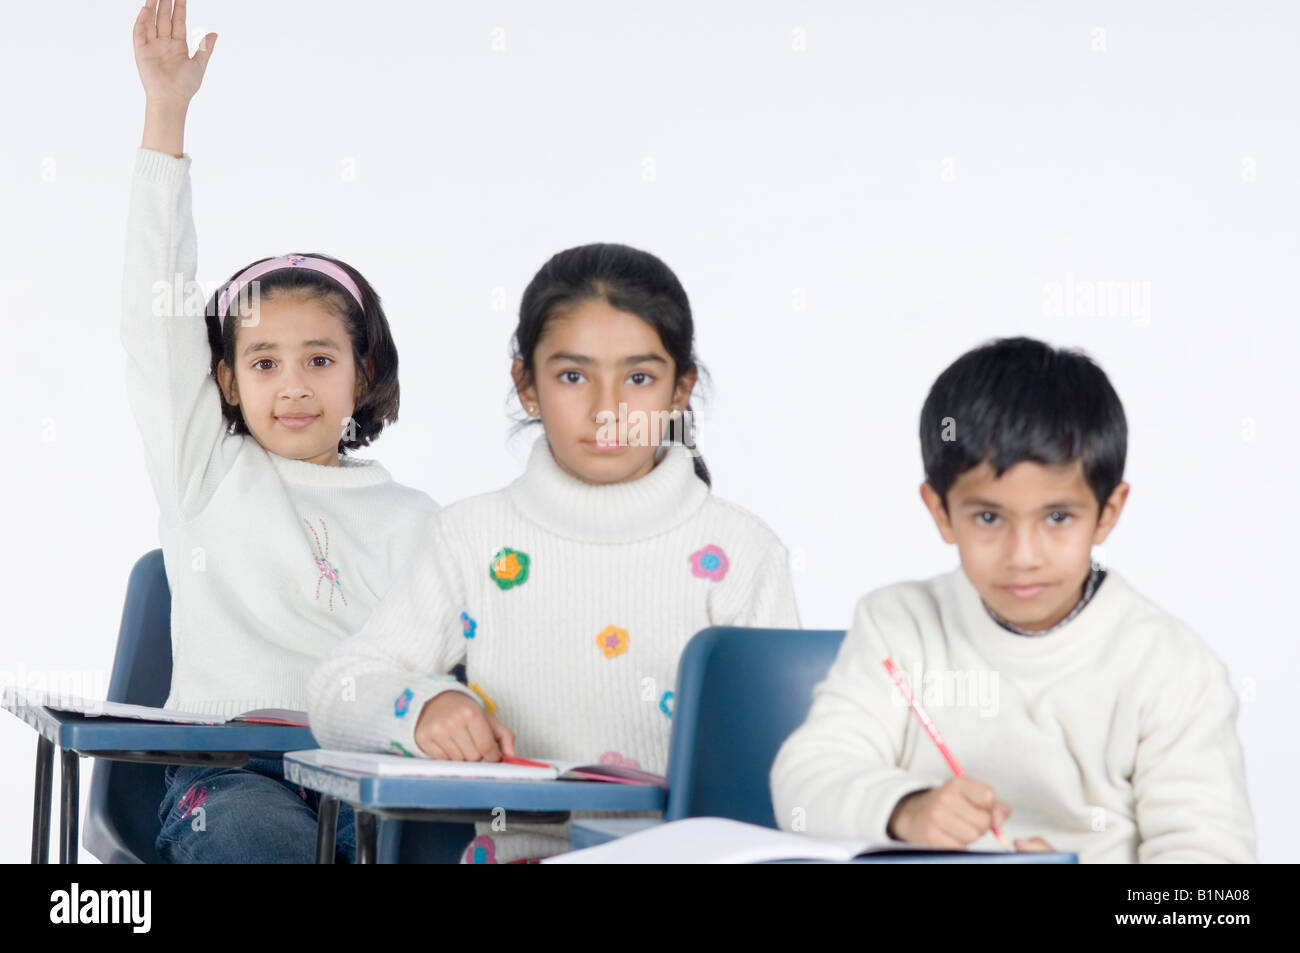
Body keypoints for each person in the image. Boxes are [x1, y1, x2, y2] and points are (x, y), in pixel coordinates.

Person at [309, 242, 801, 863]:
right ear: (528, 386)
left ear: (681, 390)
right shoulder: (471, 539)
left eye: (640, 378)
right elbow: (338, 691)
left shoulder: (744, 553)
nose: (607, 409)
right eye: (573, 376)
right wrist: (423, 706)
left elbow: (792, 763)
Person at [127, 0, 436, 862]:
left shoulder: (419, 521)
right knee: (261, 839)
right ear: (223, 377)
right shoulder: (205, 474)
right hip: (234, 780)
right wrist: (165, 118)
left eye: (319, 360)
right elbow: (152, 327)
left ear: (363, 372)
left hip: (377, 786)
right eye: (263, 362)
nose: (292, 385)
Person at [770, 336, 1255, 863]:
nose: (1023, 556)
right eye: (988, 517)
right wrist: (906, 809)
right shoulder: (897, 625)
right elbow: (806, 776)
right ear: (940, 511)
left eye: (1057, 517)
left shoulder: (1170, 666)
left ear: (1108, 512)